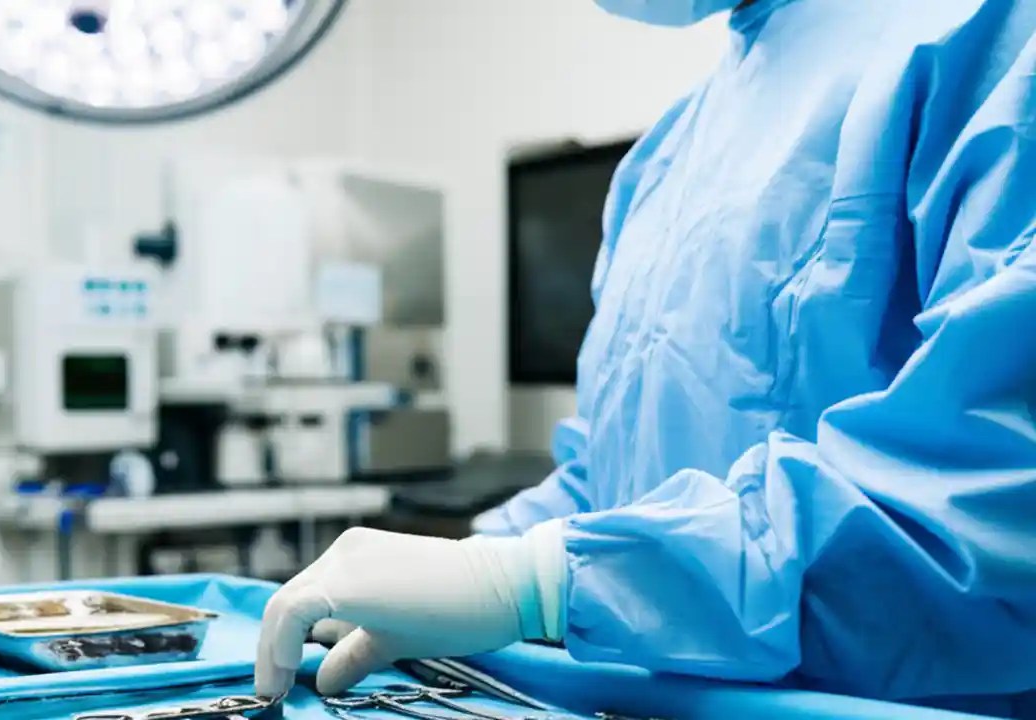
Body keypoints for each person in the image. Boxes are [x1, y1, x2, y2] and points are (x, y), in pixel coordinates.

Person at [257, 0, 1036, 712]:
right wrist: (474, 565)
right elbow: (613, 474)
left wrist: (539, 583)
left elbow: (992, 502)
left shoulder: (992, 41)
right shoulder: (666, 155)